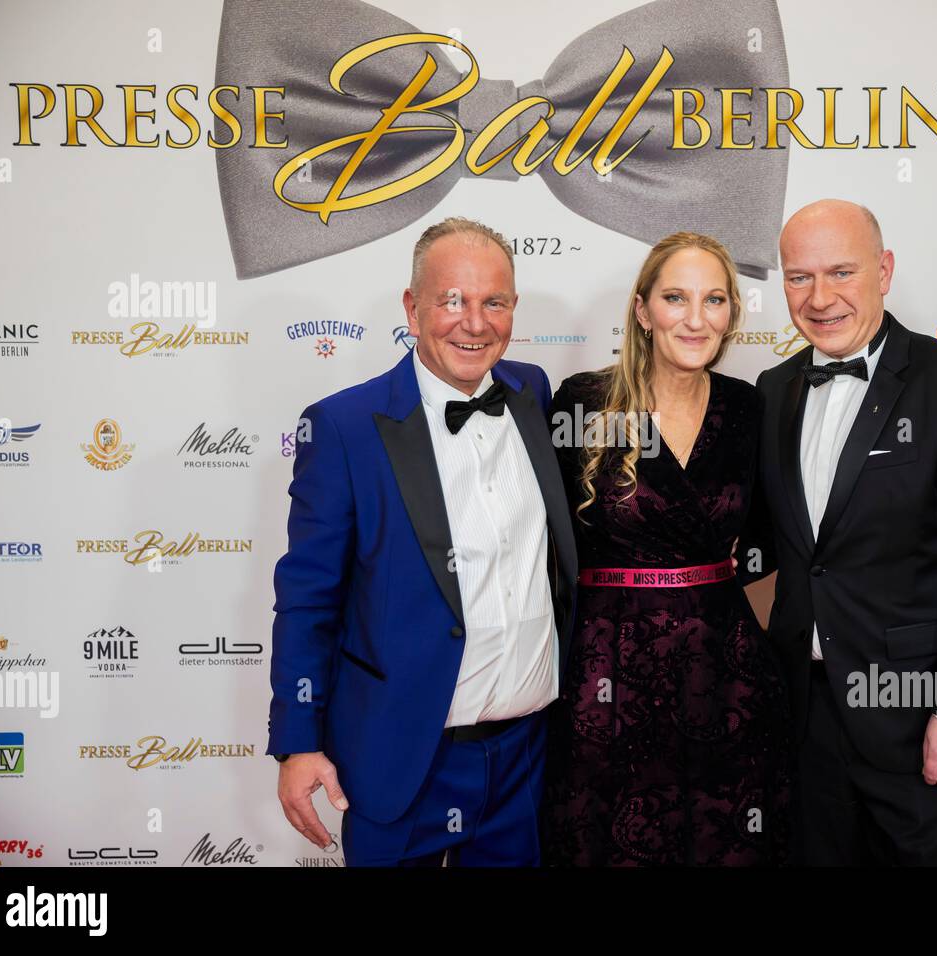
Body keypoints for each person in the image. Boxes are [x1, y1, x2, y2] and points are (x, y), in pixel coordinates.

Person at [267, 217, 576, 866]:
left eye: (494, 302)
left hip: (527, 757)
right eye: (452, 301)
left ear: (513, 308)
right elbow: (307, 602)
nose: (474, 322)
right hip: (402, 756)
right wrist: (298, 743)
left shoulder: (533, 394)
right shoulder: (344, 428)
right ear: (412, 307)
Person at [739, 199, 937, 866]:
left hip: (921, 723)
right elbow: (769, 555)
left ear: (884, 271)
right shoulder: (773, 387)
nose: (820, 298)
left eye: (841, 272)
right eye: (799, 277)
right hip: (804, 728)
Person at [541, 232, 792, 866]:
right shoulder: (583, 402)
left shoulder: (748, 407)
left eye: (714, 299)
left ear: (731, 312)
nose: (695, 317)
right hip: (608, 675)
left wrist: (751, 644)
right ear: (642, 309)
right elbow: (544, 543)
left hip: (725, 675)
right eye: (675, 297)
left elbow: (767, 543)